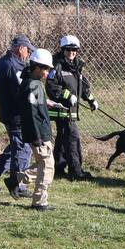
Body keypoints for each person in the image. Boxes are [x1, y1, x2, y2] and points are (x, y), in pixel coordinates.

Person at [0, 34, 32, 197]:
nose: (28, 55)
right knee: (23, 149)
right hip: (16, 115)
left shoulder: (3, 61)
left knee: (17, 147)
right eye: (28, 51)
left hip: (8, 113)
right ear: (21, 48)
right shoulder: (14, 66)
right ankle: (18, 185)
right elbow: (22, 92)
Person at [19, 48, 65, 211]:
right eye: (46, 69)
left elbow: (37, 104)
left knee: (43, 163)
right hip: (38, 133)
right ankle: (39, 202)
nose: (48, 72)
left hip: (40, 131)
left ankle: (17, 180)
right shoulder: (33, 85)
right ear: (37, 67)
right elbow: (31, 113)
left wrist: (48, 102)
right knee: (47, 165)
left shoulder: (32, 83)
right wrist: (37, 136)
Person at [48, 35, 98, 180]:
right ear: (63, 50)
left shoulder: (77, 66)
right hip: (62, 110)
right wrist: (67, 95)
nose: (71, 52)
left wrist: (91, 100)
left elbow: (82, 87)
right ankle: (76, 172)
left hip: (72, 110)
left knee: (63, 139)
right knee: (72, 139)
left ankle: (58, 168)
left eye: (74, 49)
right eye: (68, 49)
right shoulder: (56, 65)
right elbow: (51, 87)